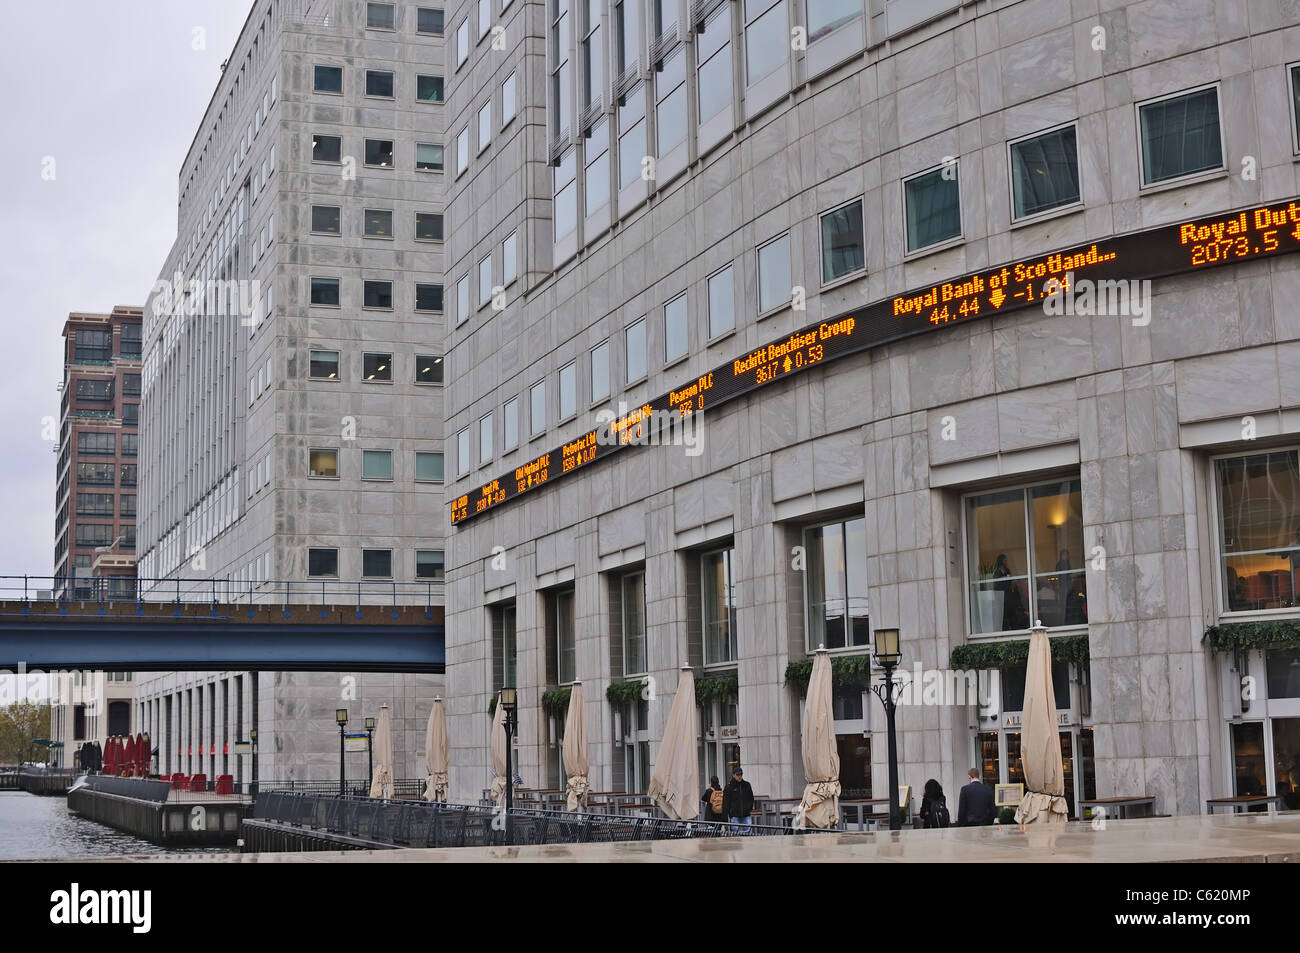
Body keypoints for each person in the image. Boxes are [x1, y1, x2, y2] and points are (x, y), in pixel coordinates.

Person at [993, 554, 1028, 630]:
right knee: (1005, 609)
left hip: (1008, 592)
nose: (1006, 562)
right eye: (1005, 560)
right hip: (1001, 592)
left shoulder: (1007, 570)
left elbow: (1010, 579)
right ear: (1001, 561)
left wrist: (1014, 582)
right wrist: (1005, 578)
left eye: (1006, 560)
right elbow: (996, 582)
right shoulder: (997, 571)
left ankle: (1014, 625)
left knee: (1011, 607)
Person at [721, 766, 755, 831]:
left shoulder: (747, 785)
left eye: (741, 774)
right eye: (737, 774)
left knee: (748, 835)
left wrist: (749, 809)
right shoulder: (729, 787)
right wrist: (724, 819)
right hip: (734, 815)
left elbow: (751, 798)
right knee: (735, 835)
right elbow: (725, 803)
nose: (739, 776)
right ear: (733, 775)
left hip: (746, 814)